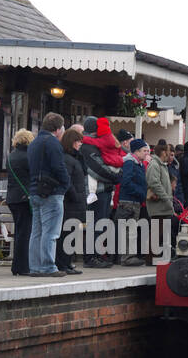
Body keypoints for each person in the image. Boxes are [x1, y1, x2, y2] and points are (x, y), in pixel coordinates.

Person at [27, 111, 70, 277]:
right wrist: (65, 184)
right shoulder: (52, 143)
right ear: (58, 129)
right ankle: (48, 267)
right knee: (51, 233)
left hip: (35, 190)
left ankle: (35, 267)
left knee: (36, 232)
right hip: (51, 192)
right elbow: (59, 167)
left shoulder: (34, 142)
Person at [78, 117, 121, 268]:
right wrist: (115, 176)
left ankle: (96, 254)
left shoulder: (92, 145)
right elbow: (96, 168)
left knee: (100, 224)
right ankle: (90, 257)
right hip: (97, 190)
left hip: (102, 189)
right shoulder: (88, 147)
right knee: (95, 223)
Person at [56, 130, 88, 275]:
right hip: (71, 203)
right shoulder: (68, 159)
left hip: (77, 202)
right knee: (67, 234)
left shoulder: (74, 158)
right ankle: (63, 263)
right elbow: (67, 180)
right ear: (71, 142)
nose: (80, 144)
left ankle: (67, 262)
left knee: (72, 234)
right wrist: (75, 196)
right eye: (78, 141)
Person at [116, 138, 150, 266]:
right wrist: (141, 193)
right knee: (129, 230)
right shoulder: (130, 163)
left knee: (131, 230)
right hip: (129, 201)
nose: (146, 154)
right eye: (144, 151)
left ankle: (128, 256)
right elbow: (126, 182)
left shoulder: (138, 163)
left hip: (135, 201)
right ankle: (127, 257)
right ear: (136, 151)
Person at [4, 129, 34, 276]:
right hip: (24, 198)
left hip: (12, 198)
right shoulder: (28, 156)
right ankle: (22, 267)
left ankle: (17, 266)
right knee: (24, 233)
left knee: (20, 231)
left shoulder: (11, 156)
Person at [145, 141, 175, 263]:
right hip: (159, 206)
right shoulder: (155, 165)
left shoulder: (161, 165)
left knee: (160, 233)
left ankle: (155, 257)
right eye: (168, 152)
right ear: (163, 152)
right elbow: (154, 183)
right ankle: (151, 258)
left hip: (162, 205)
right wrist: (167, 198)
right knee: (156, 233)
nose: (169, 154)